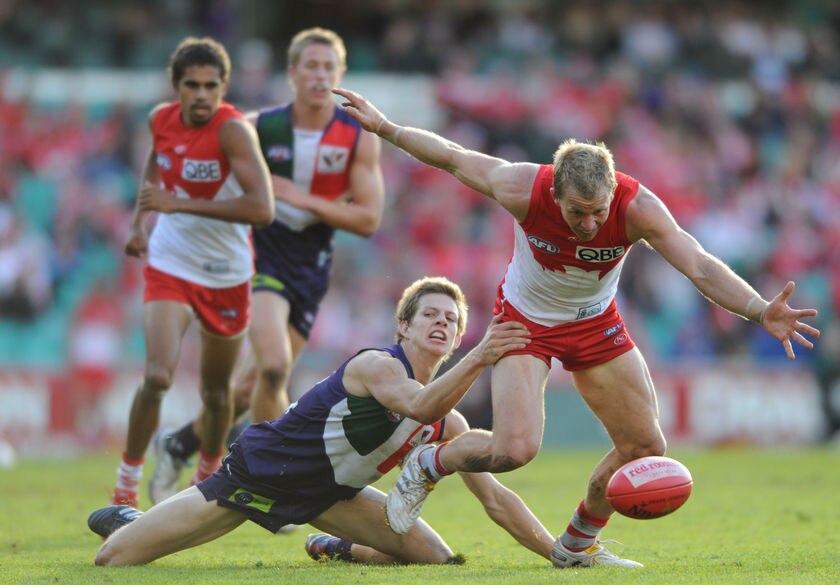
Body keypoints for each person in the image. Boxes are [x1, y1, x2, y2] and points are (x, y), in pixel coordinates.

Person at [331, 87, 822, 568]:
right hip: (524, 323)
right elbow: (453, 158)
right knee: (514, 451)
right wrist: (387, 128)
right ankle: (431, 463)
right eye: (576, 212)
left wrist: (760, 309)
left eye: (597, 212)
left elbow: (699, 266)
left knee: (645, 447)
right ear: (555, 194)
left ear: (613, 193)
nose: (588, 224)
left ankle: (575, 545)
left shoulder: (638, 207)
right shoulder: (522, 187)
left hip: (594, 323)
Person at [88, 276, 556, 567]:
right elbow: (419, 406)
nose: (441, 323)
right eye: (429, 314)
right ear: (404, 327)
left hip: (331, 496)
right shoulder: (378, 366)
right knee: (115, 558)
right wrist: (480, 356)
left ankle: (334, 548)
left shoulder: (448, 421)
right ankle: (131, 520)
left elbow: (496, 499)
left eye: (451, 320)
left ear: (455, 339)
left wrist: (558, 553)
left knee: (435, 557)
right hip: (265, 472)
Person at [148, 27, 384, 504]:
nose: (320, 76)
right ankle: (271, 481)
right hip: (260, 251)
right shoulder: (257, 127)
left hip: (311, 263)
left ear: (340, 74)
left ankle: (180, 444)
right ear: (292, 73)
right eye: (311, 66)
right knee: (274, 368)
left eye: (329, 68)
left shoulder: (356, 135)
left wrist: (302, 198)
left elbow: (368, 219)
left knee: (250, 386)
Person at [110, 37, 274, 508]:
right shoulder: (159, 120)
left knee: (217, 392)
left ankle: (206, 479)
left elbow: (262, 209)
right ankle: (125, 486)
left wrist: (177, 203)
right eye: (192, 85)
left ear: (223, 87)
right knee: (157, 376)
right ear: (176, 86)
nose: (202, 95)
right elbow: (155, 164)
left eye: (211, 86)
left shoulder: (234, 132)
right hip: (171, 262)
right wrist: (140, 223)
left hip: (226, 274)